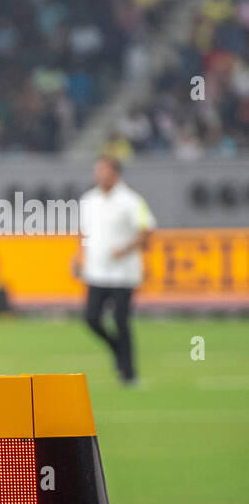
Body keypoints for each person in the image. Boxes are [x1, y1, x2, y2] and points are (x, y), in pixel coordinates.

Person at [73, 155, 155, 386]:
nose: (98, 175)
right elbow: (83, 233)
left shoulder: (131, 200)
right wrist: (78, 256)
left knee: (121, 320)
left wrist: (127, 249)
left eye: (103, 171)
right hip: (97, 272)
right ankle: (117, 349)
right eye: (97, 171)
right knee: (91, 318)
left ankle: (129, 375)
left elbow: (147, 229)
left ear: (115, 174)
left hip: (123, 274)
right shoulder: (89, 200)